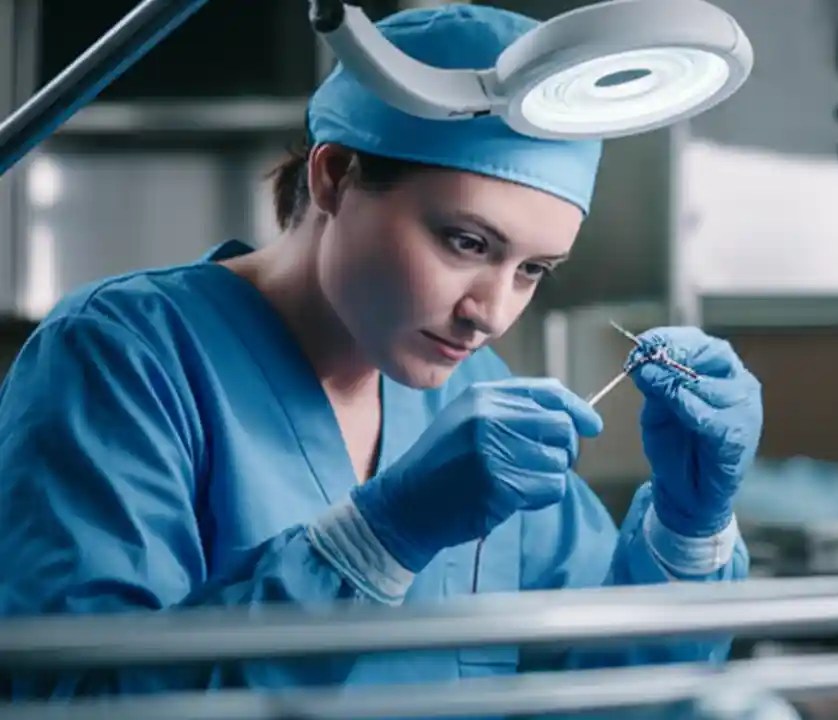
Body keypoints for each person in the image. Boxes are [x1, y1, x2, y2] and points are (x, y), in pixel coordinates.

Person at [0, 4, 762, 698]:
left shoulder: (476, 394)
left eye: (533, 270)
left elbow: (606, 700)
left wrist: (687, 533)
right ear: (334, 177)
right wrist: (372, 542)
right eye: (466, 242)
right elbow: (78, 702)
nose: (492, 314)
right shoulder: (123, 360)